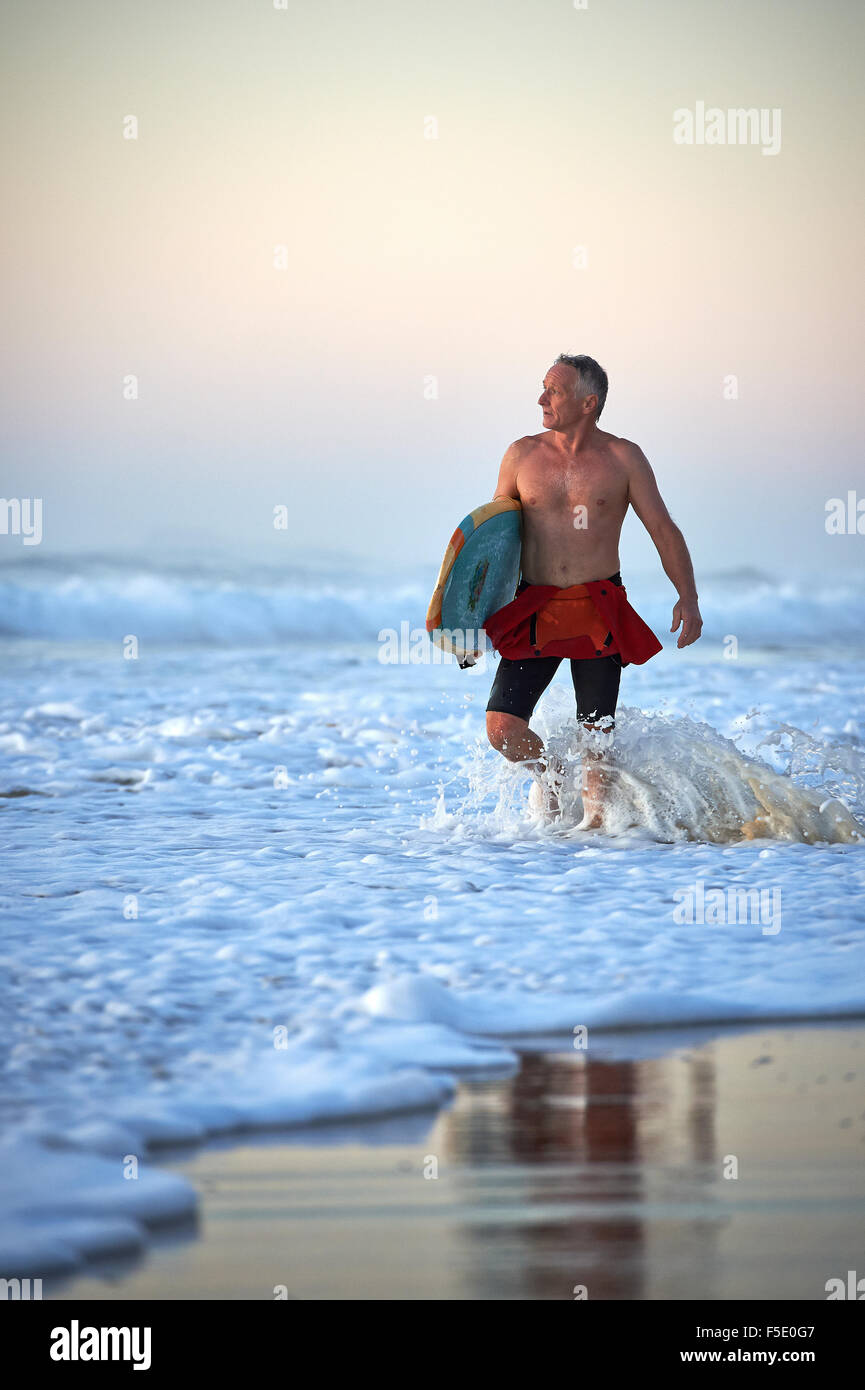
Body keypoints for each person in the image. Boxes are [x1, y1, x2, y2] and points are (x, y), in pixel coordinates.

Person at [486, 353, 702, 828]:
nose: (542, 398)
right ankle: (550, 772)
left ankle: (596, 853)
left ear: (589, 402)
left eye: (554, 391)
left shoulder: (623, 458)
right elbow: (493, 538)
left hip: (598, 606)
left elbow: (663, 529)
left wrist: (688, 597)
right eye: (543, 387)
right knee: (502, 729)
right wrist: (467, 610)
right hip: (536, 605)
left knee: (596, 739)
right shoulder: (521, 454)